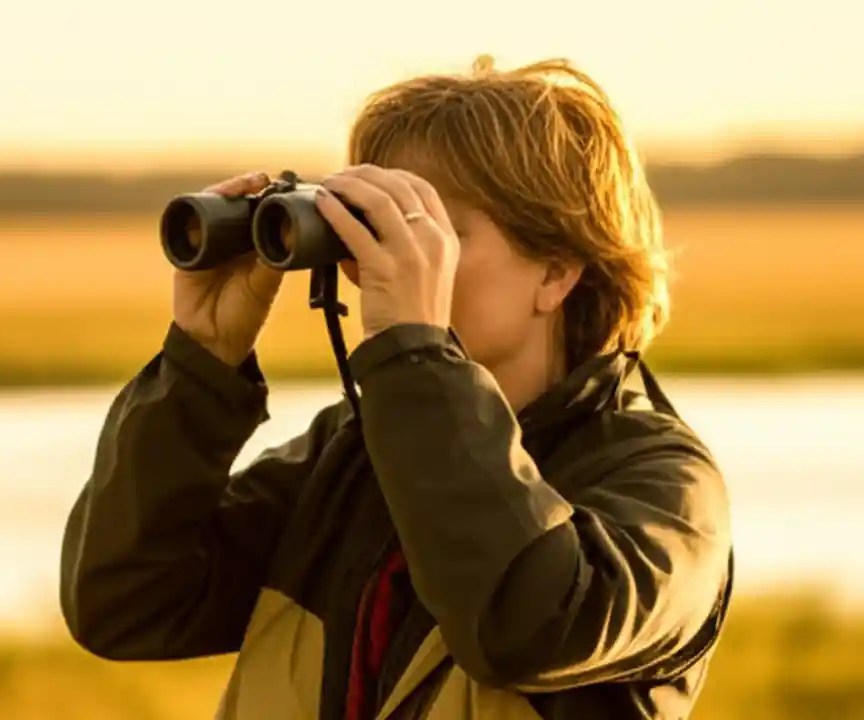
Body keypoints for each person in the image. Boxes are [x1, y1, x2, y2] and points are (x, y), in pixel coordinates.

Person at [59, 55, 733, 719]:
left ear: (556, 271)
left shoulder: (665, 489)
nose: (392, 260)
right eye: (374, 227)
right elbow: (126, 601)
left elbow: (527, 622)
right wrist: (201, 365)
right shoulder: (354, 459)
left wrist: (414, 355)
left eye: (433, 232)